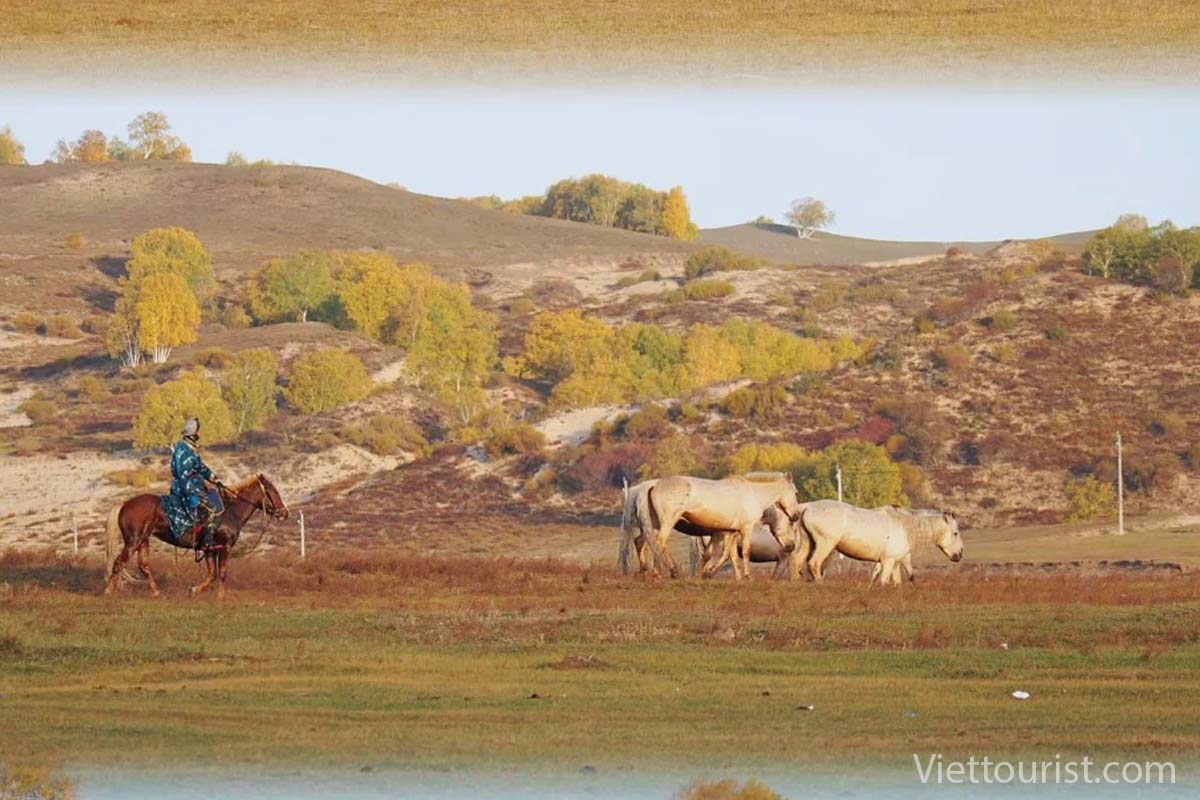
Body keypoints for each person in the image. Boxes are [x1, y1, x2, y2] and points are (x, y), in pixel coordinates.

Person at [170, 417, 221, 550]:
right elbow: (182, 475)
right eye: (198, 431)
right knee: (212, 510)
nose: (200, 434)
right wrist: (192, 494)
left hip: (196, 485)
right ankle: (207, 543)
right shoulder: (182, 450)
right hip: (186, 488)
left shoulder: (191, 449)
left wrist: (213, 478)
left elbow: (201, 467)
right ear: (193, 434)